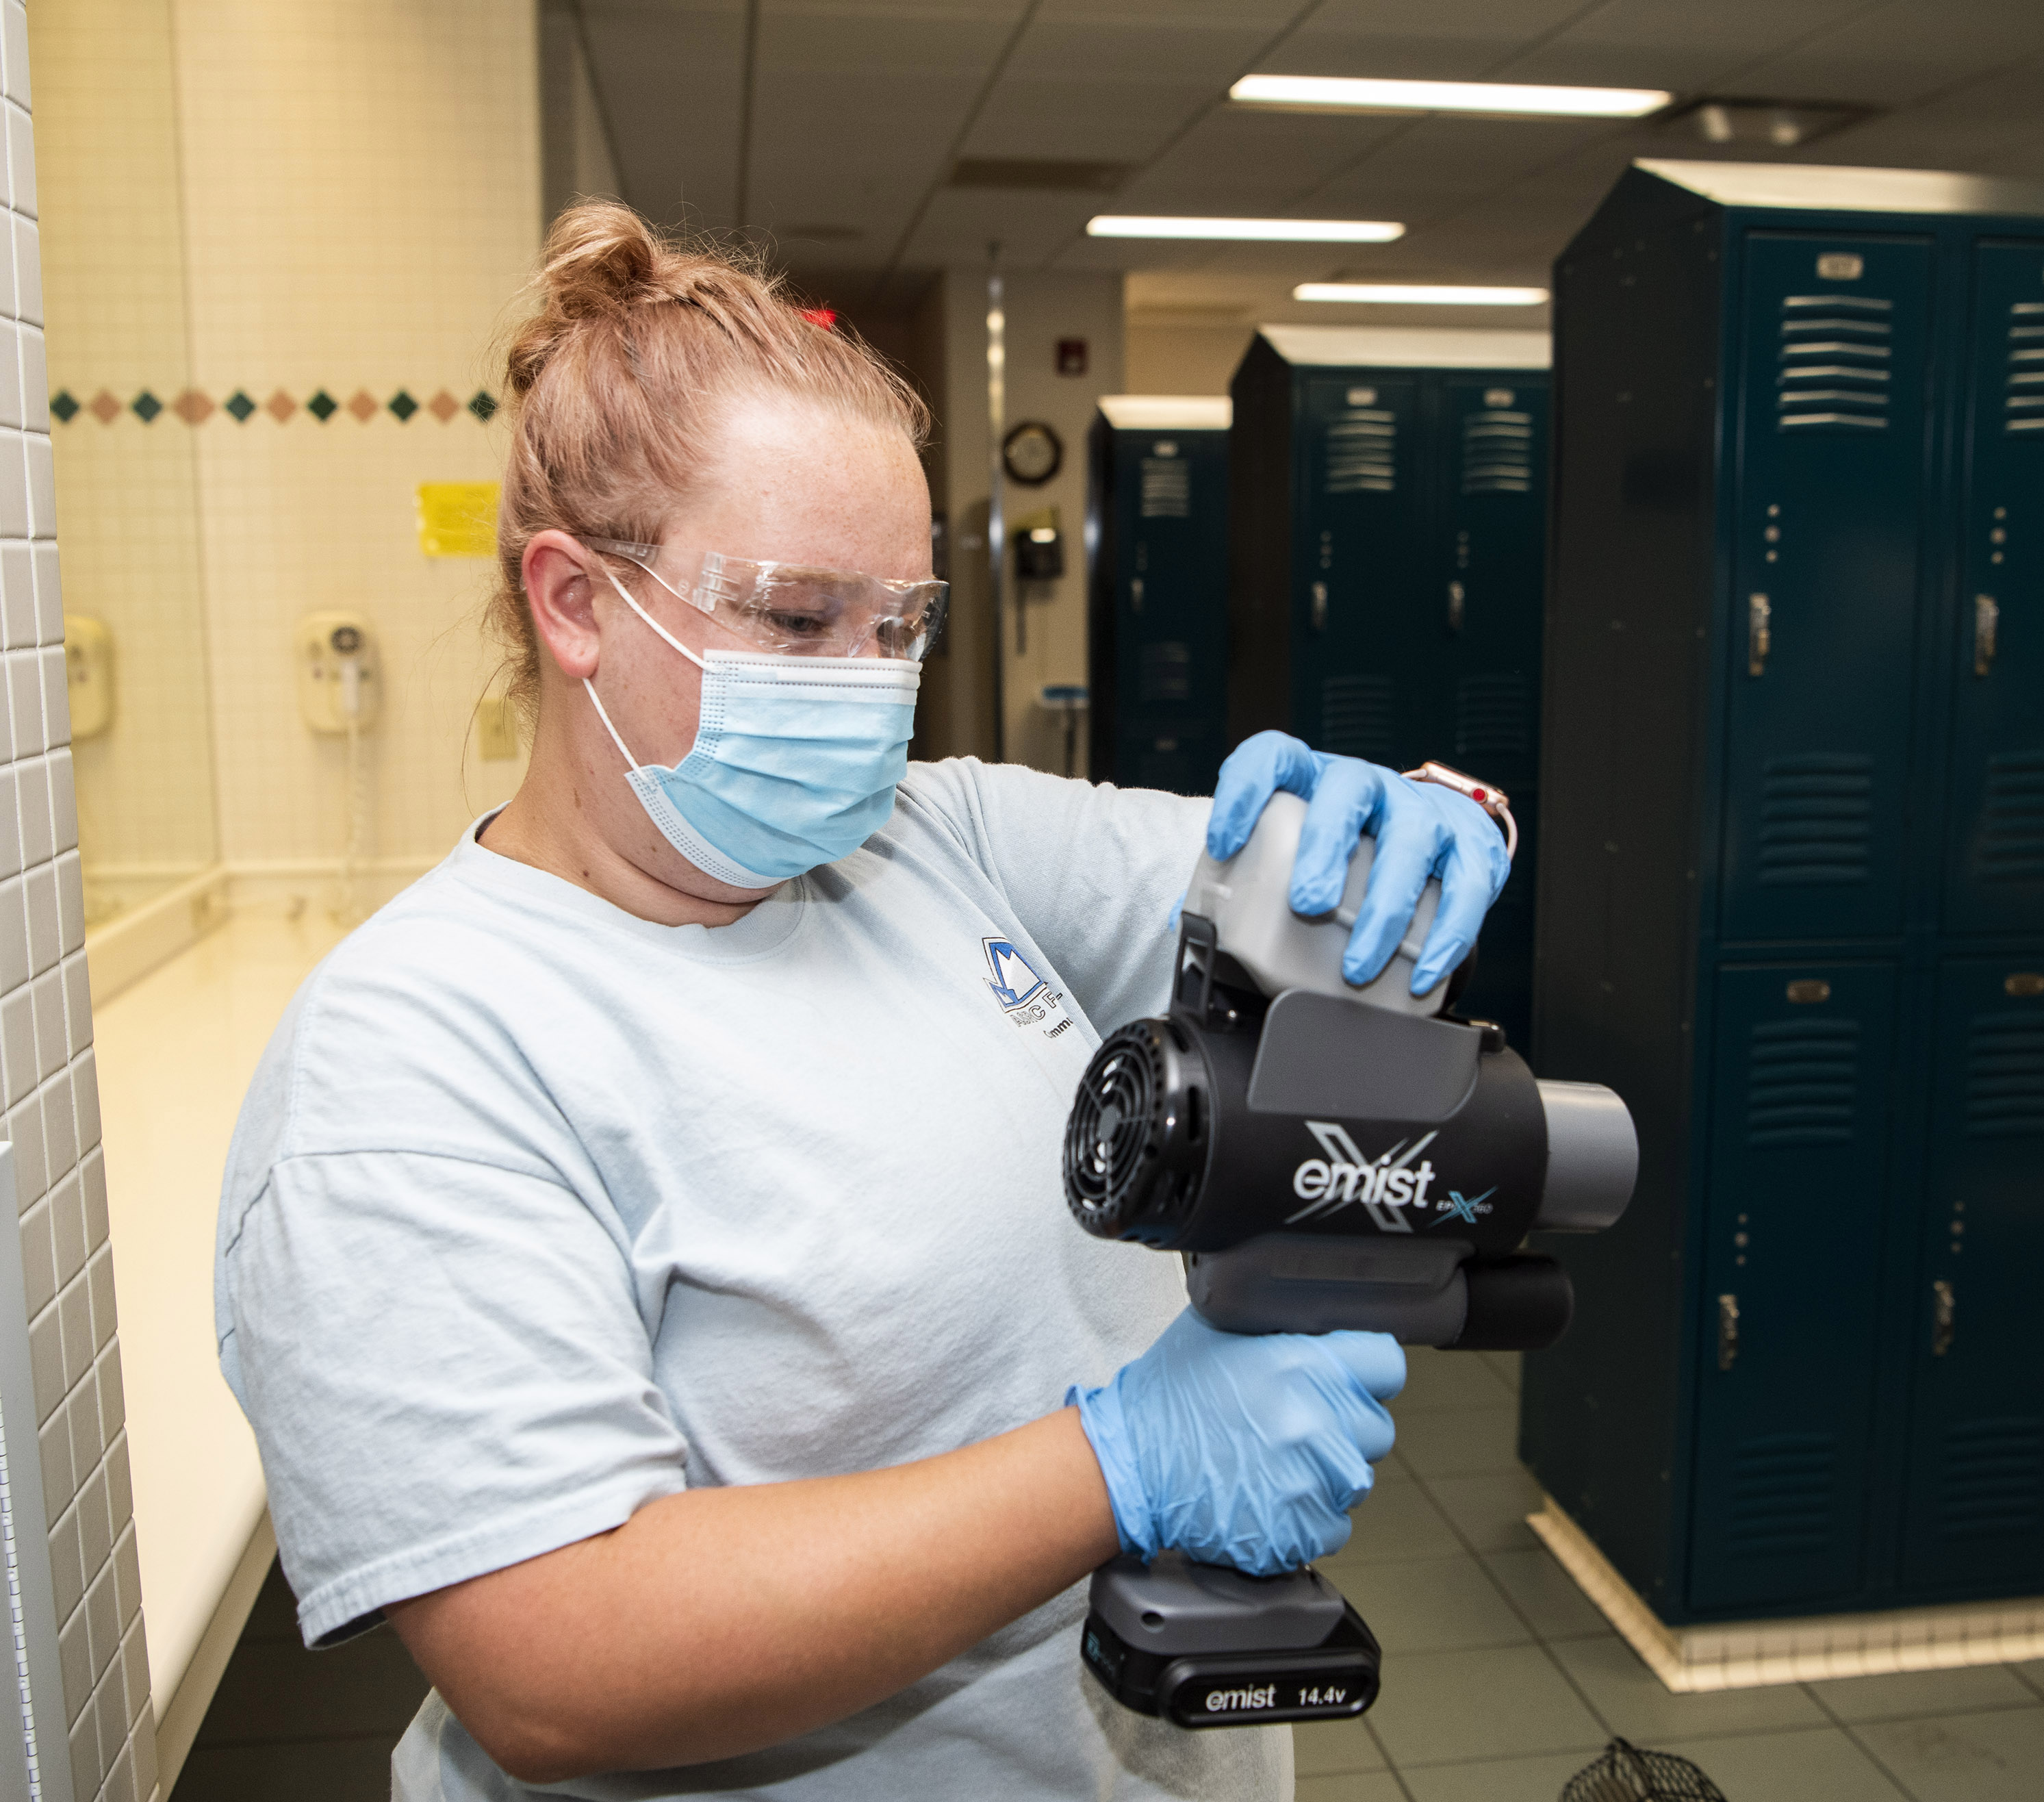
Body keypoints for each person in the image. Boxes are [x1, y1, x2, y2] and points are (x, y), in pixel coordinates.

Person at [214, 202, 1513, 1802]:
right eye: (796, 616)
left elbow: (1336, 924)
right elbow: (557, 1653)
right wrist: (1125, 1460)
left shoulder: (920, 836)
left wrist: (1439, 814)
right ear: (571, 602)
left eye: (902, 623)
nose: (865, 685)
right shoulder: (418, 1049)